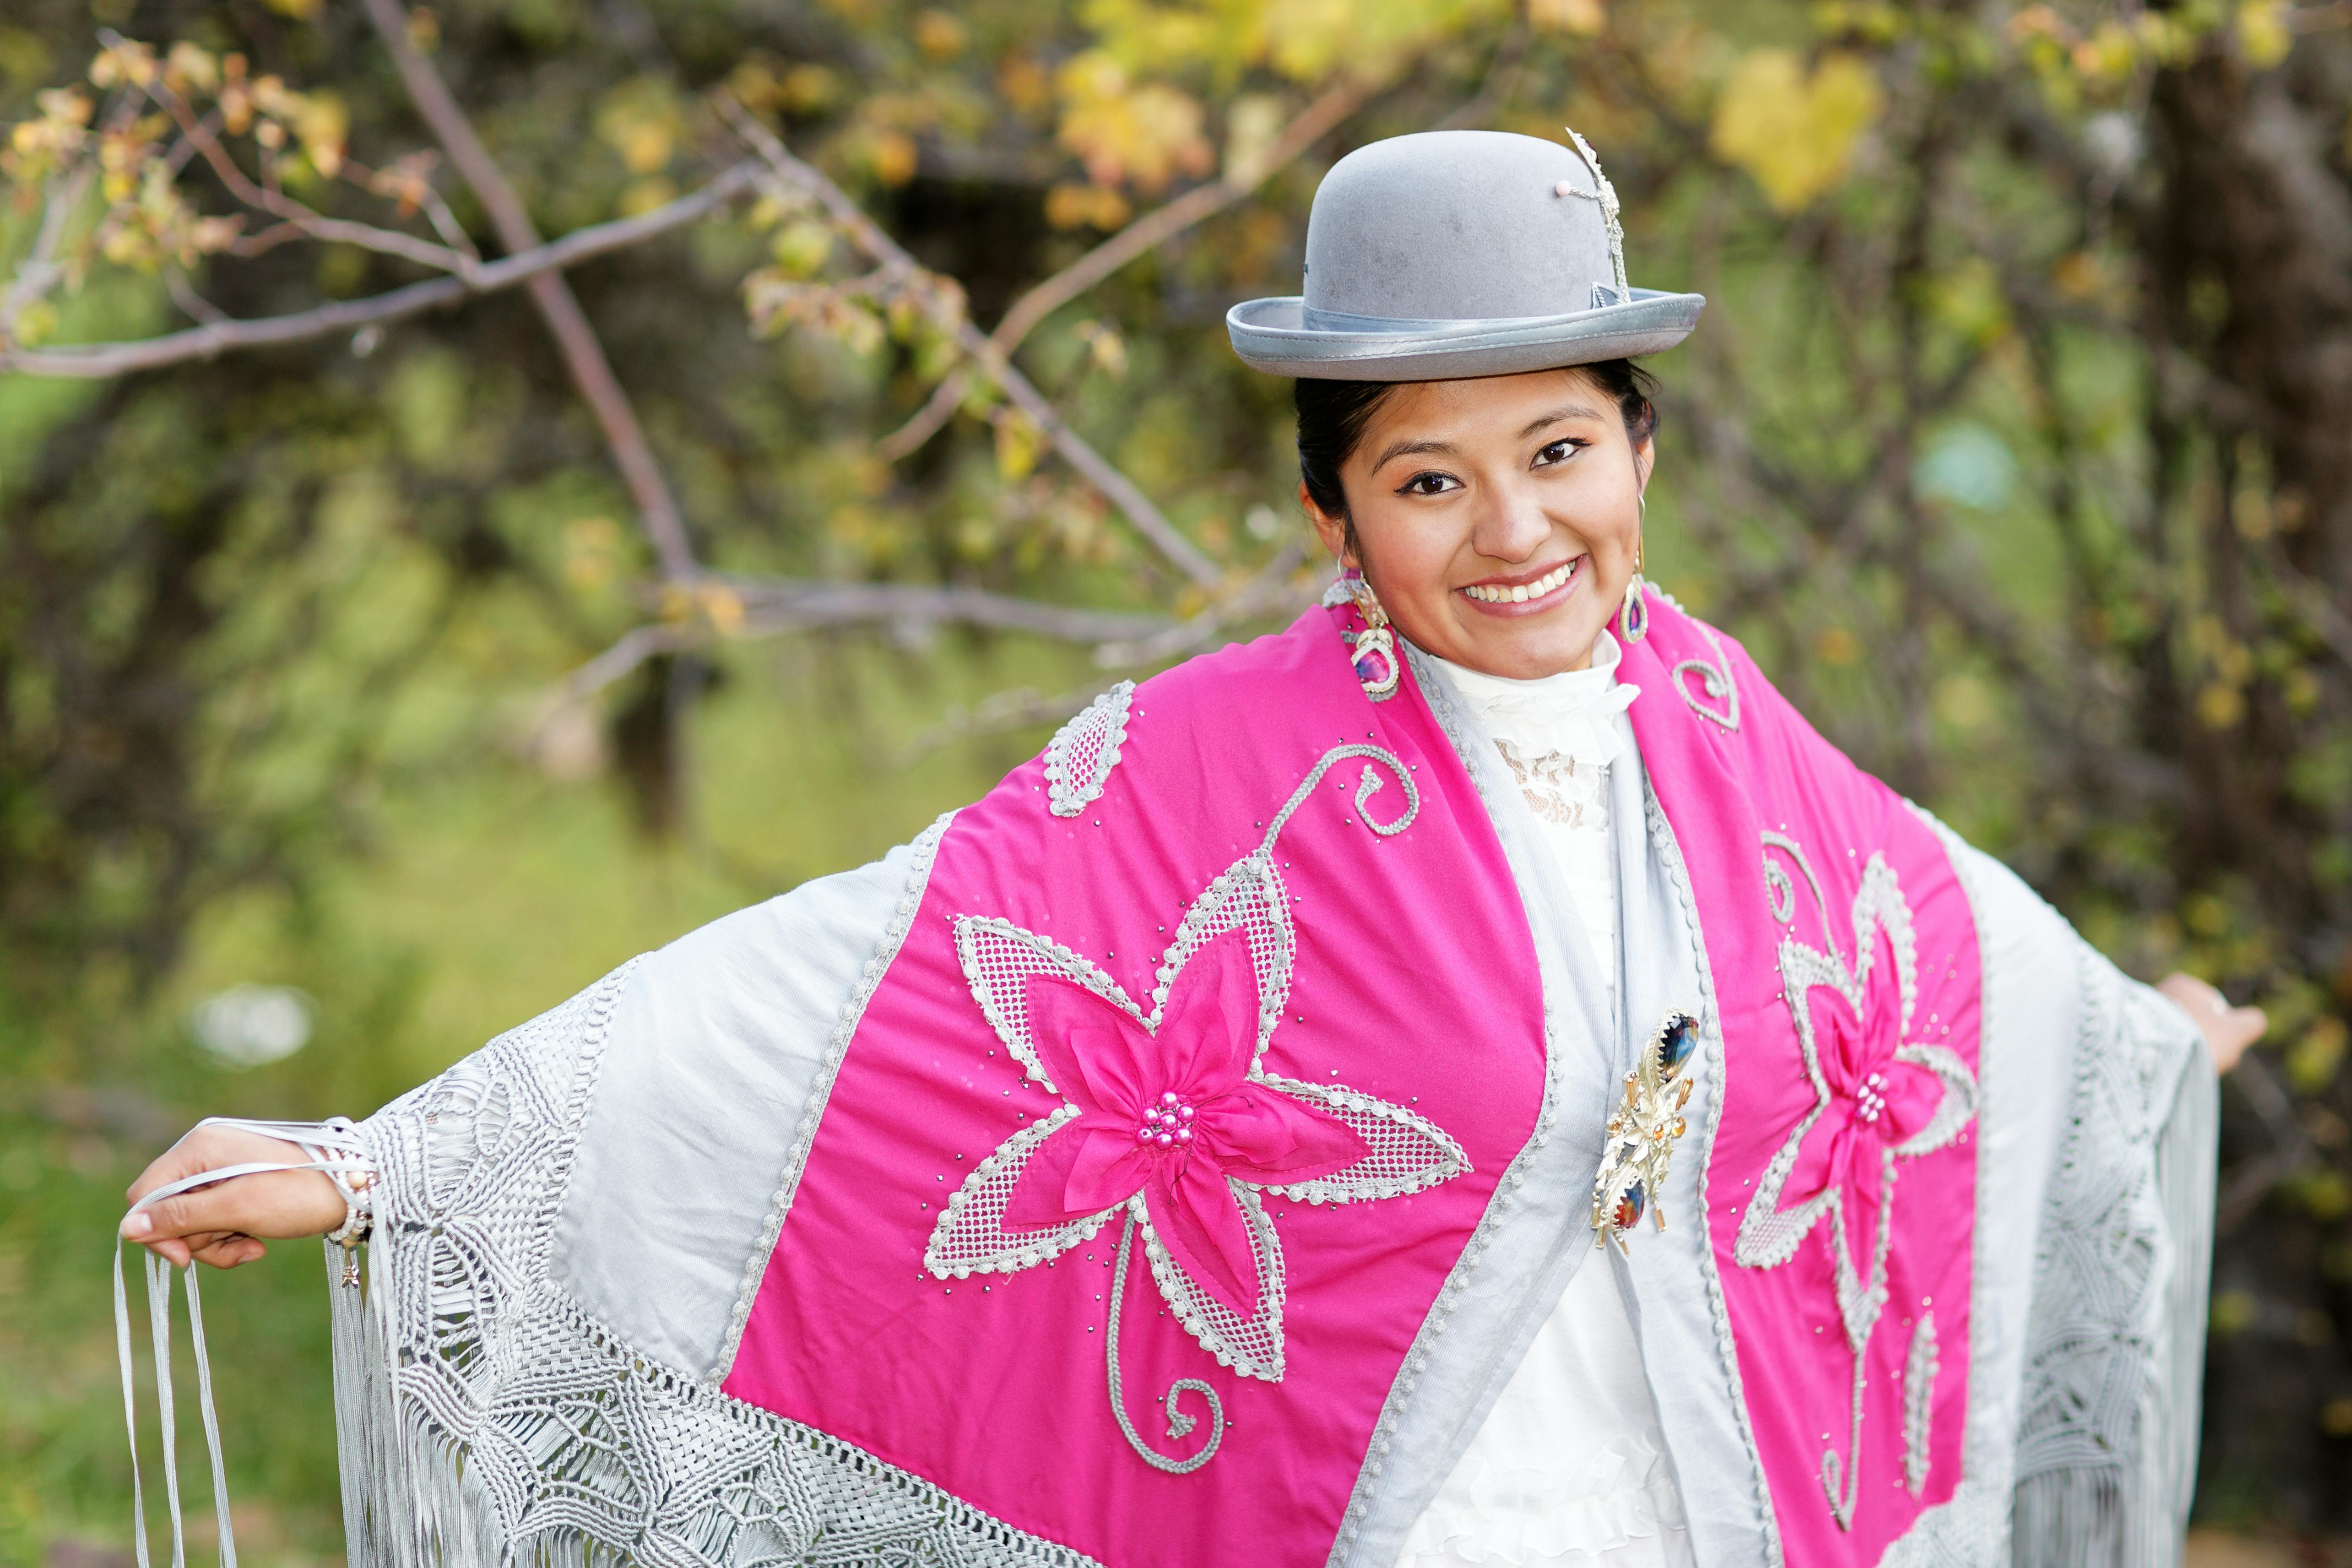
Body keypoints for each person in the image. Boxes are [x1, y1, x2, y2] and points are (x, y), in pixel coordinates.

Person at [122, 129, 2258, 1568]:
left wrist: (2130, 1039)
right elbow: (840, 989)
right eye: (1428, 480)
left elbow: (1929, 967)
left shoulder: (1723, 728)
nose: (1514, 532)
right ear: (1330, 516)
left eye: (1559, 450)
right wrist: (385, 1159)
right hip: (1402, 1513)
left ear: (1636, 447)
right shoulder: (1210, 770)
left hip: (1689, 1496)